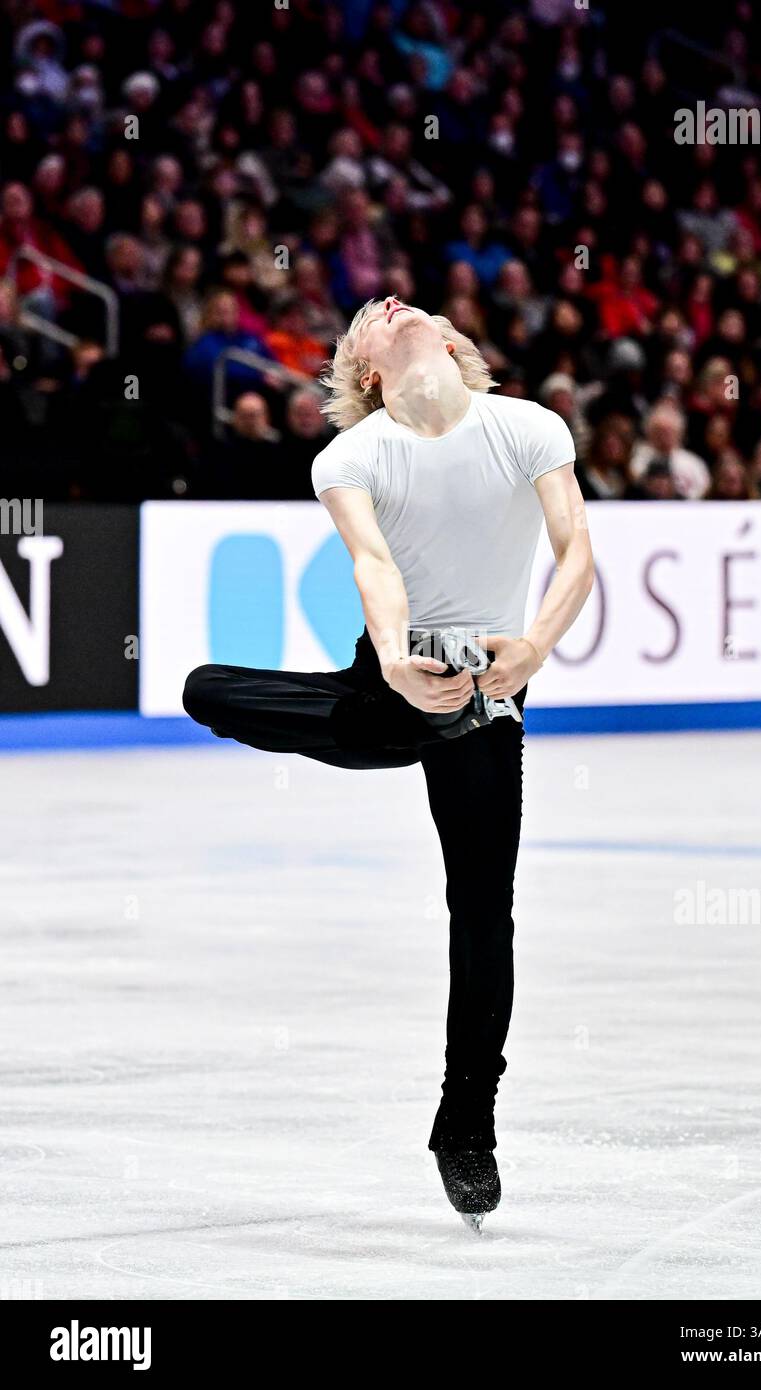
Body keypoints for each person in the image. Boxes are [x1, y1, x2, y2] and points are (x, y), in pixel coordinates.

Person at [182, 295, 594, 1227]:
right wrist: (403, 665)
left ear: (453, 344)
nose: (398, 307)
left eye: (411, 306)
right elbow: (374, 565)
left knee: (484, 908)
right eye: (376, 314)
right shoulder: (352, 454)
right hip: (390, 686)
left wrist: (532, 649)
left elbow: (575, 552)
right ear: (368, 371)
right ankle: (392, 720)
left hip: (486, 696)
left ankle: (467, 1121)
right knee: (207, 688)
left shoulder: (528, 426)